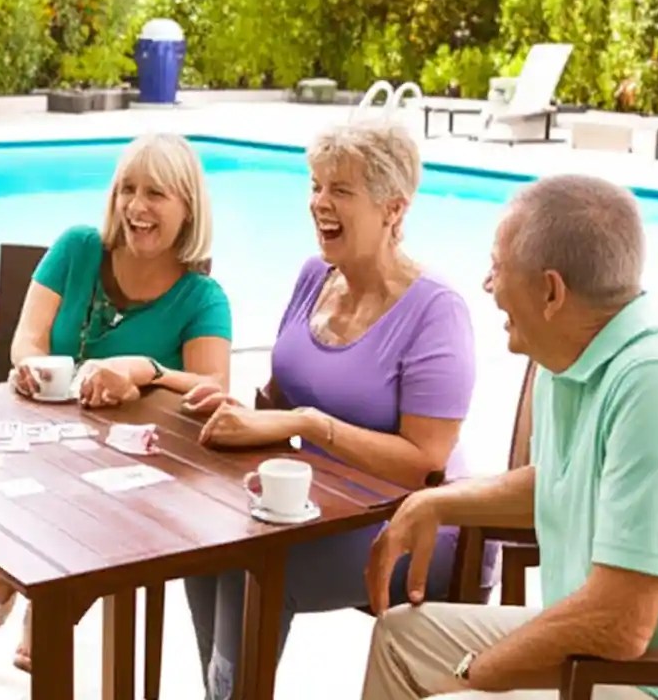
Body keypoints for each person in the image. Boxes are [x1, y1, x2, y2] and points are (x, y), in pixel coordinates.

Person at [360, 174, 658, 699]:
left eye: (498, 268)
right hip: (615, 660)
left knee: (457, 694)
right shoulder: (568, 360)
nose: (487, 284)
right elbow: (567, 483)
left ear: (551, 291)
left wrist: (478, 674)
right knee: (402, 640)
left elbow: (619, 621)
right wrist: (439, 503)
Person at [177, 119, 488, 699]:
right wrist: (236, 407)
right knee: (203, 543)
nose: (319, 202)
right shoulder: (314, 275)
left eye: (340, 190)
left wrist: (310, 425)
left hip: (416, 523)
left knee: (256, 567)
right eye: (316, 185)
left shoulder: (436, 310)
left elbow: (424, 463)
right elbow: (280, 397)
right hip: (322, 502)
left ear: (393, 208)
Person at [0, 132, 234, 672]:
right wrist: (32, 368)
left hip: (132, 466)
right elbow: (27, 340)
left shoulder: (203, 298)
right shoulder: (77, 248)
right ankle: (23, 577)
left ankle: (35, 589)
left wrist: (146, 371)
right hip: (49, 434)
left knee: (90, 508)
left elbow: (214, 392)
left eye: (156, 193)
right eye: (126, 189)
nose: (136, 206)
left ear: (188, 208)